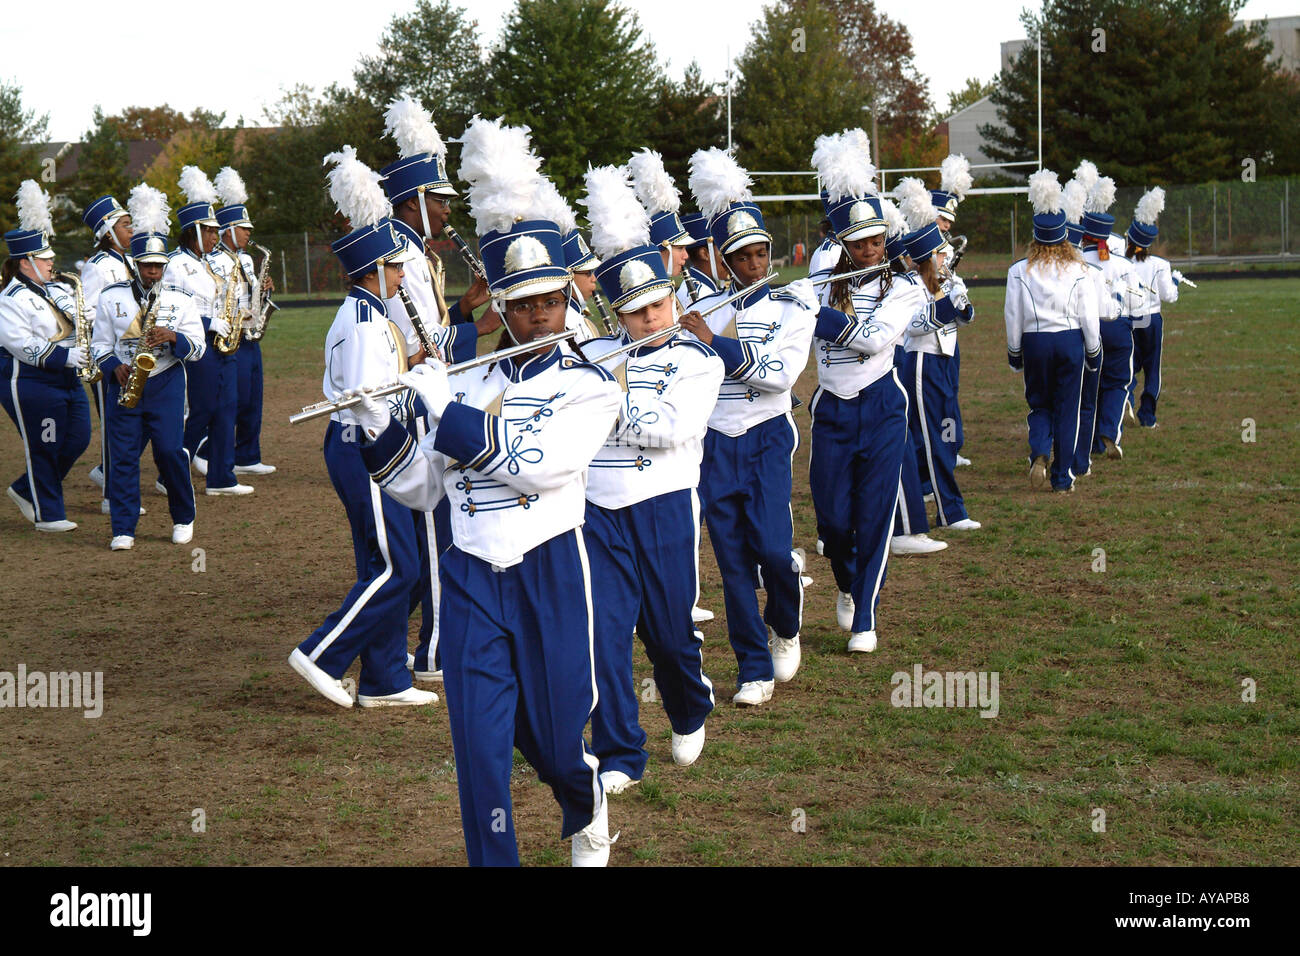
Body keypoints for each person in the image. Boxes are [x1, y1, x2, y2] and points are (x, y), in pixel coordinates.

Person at [353, 115, 622, 865]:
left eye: (551, 302)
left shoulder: (591, 386)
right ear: (499, 305)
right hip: (471, 573)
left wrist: (444, 411)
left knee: (555, 736)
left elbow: (535, 465)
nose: (540, 316)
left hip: (550, 570)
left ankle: (584, 799)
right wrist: (378, 424)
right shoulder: (465, 381)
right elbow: (421, 488)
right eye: (524, 304)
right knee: (477, 749)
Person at [577, 163, 722, 795]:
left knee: (667, 633)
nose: (651, 319)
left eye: (659, 304)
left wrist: (601, 400)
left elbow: (669, 428)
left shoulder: (698, 360)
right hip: (596, 511)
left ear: (672, 296)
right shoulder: (590, 356)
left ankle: (689, 706)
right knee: (603, 637)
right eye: (635, 313)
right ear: (617, 315)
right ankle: (619, 750)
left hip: (663, 507)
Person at [287, 146, 438, 713]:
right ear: (373, 270)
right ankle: (321, 654)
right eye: (395, 267)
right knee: (400, 567)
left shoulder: (370, 316)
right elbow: (368, 404)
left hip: (371, 444)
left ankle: (383, 677)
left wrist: (417, 371)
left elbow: (381, 384)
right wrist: (401, 452)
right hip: (369, 447)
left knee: (388, 565)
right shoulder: (364, 322)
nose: (401, 274)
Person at [679, 147, 815, 706]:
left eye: (760, 253)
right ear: (725, 260)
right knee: (732, 562)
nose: (755, 264)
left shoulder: (793, 304)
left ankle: (786, 623)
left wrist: (715, 344)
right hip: (715, 442)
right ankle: (752, 667)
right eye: (742, 256)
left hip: (766, 436)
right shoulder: (702, 310)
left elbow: (779, 377)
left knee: (774, 550)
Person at [380, 97, 497, 684]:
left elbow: (432, 326)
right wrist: (483, 328)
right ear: (413, 202)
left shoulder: (416, 252)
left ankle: (404, 647)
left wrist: (467, 307)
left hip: (423, 393)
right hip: (411, 403)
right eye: (440, 201)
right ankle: (433, 653)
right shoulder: (400, 252)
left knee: (429, 534)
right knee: (433, 531)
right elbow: (419, 346)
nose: (448, 211)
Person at [803, 136, 927, 655]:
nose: (868, 251)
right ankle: (848, 583)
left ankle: (866, 618)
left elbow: (874, 339)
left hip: (881, 408)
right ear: (844, 245)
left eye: (875, 242)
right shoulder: (820, 279)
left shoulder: (905, 287)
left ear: (884, 239)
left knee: (875, 515)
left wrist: (814, 314)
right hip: (831, 407)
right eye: (858, 244)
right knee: (832, 524)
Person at [92, 185, 204, 550]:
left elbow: (199, 348)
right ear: (135, 265)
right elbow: (98, 345)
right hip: (123, 384)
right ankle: (123, 528)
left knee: (170, 452)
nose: (153, 272)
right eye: (147, 266)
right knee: (123, 457)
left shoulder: (181, 300)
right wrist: (113, 367)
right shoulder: (111, 296)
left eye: (158, 266)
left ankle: (183, 516)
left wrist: (173, 337)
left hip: (166, 381)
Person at [0, 182, 91, 531]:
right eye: (45, 258)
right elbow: (20, 343)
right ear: (26, 263)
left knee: (78, 438)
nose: (52, 261)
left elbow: (77, 321)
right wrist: (65, 358)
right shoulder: (9, 299)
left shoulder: (57, 288)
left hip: (67, 379)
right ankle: (48, 514)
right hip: (31, 381)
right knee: (45, 444)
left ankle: (26, 489)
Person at [1005, 170, 1101, 493]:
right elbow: (1088, 315)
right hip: (1070, 340)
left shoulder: (1018, 270)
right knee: (1068, 410)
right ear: (1064, 236)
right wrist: (1093, 351)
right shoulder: (1079, 269)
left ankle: (1039, 452)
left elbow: (1012, 314)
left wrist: (1014, 352)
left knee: (1039, 404)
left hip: (1035, 341)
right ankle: (1062, 478)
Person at [898, 177, 980, 533]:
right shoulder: (908, 286)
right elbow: (913, 326)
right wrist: (946, 305)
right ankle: (950, 511)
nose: (946, 260)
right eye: (940, 255)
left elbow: (966, 316)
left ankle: (927, 489)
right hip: (921, 362)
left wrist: (958, 300)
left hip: (943, 360)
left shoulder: (946, 281)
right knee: (931, 437)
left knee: (946, 432)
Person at [164, 166, 250, 496]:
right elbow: (170, 313)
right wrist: (207, 323)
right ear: (194, 231)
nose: (216, 237)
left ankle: (221, 477)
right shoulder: (175, 264)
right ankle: (169, 472)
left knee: (227, 408)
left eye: (216, 231)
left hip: (222, 344)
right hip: (198, 344)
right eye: (210, 231)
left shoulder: (208, 263)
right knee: (202, 410)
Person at [196, 167, 276, 479]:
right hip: (229, 336)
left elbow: (250, 293)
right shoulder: (213, 260)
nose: (248, 234)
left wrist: (263, 290)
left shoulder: (245, 259)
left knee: (253, 399)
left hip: (250, 334)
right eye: (244, 228)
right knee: (233, 399)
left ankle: (248, 455)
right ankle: (207, 452)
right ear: (228, 230)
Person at [1080, 174, 1142, 463]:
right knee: (1117, 384)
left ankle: (1089, 441)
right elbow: (1137, 304)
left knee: (1088, 388)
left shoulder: (1076, 261)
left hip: (1085, 328)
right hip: (1117, 328)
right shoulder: (1123, 264)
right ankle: (1110, 432)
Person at [80, 195, 135, 514]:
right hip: (108, 358)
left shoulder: (128, 262)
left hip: (131, 355)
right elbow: (86, 311)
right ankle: (112, 496)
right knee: (114, 427)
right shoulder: (98, 266)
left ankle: (111, 477)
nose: (131, 230)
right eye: (125, 225)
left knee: (132, 424)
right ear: (108, 232)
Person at [1124, 187, 1181, 428]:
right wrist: (1175, 282)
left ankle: (1124, 401)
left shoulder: (1122, 262)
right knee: (1152, 370)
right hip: (1152, 321)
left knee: (1128, 366)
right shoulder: (1160, 264)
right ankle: (1147, 417)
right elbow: (1169, 296)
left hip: (1129, 319)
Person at [931, 154, 973, 468]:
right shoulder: (916, 248)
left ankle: (950, 447)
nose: (947, 226)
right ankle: (938, 448)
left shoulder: (944, 247)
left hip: (948, 334)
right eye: (942, 219)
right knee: (933, 399)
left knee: (950, 394)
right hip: (924, 336)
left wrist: (961, 295)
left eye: (949, 221)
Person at [676, 210, 728, 312]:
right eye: (722, 251)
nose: (728, 258)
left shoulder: (705, 288)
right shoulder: (698, 295)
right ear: (704, 254)